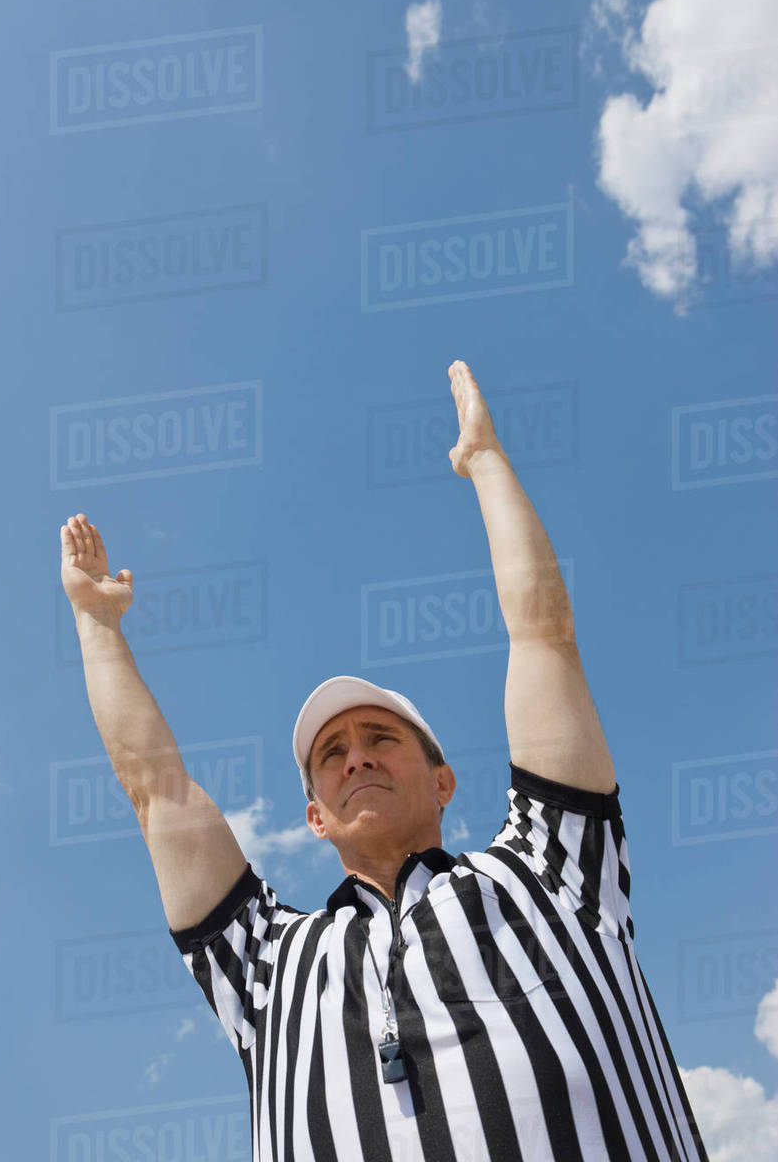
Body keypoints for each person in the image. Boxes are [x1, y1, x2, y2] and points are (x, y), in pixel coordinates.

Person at [60, 361, 710, 1161]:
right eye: (331, 754)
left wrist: (484, 462)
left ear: (442, 780)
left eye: (381, 738)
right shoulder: (265, 963)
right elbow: (154, 791)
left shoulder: (552, 870)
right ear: (313, 816)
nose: (355, 758)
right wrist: (97, 627)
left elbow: (541, 634)